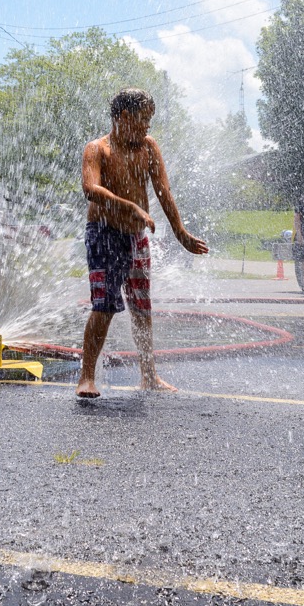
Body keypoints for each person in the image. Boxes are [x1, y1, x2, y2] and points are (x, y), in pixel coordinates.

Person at [75, 88, 208, 399]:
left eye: (150, 120)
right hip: (105, 234)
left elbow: (163, 192)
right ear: (124, 117)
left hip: (136, 238)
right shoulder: (98, 150)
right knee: (104, 306)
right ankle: (86, 376)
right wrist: (131, 207)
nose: (148, 127)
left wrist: (182, 234)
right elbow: (90, 189)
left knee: (141, 307)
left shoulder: (148, 148)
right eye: (144, 120)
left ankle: (149, 375)